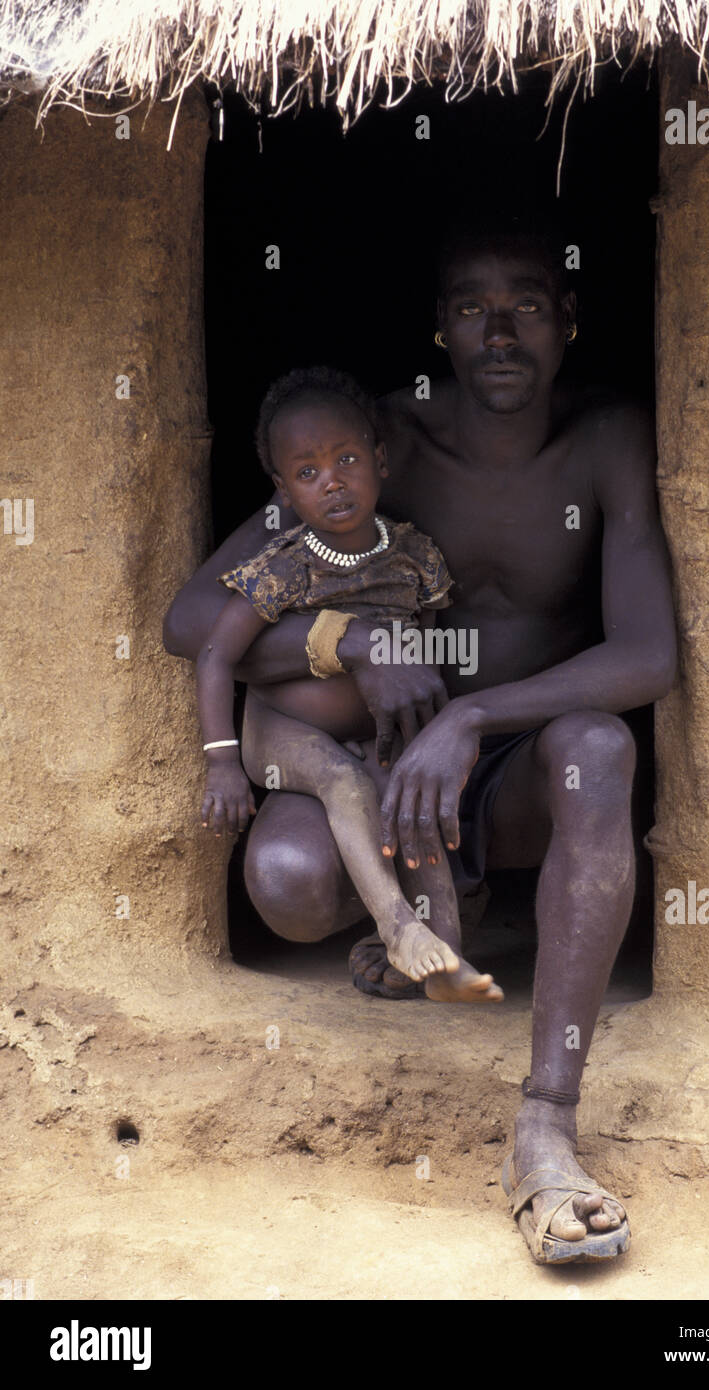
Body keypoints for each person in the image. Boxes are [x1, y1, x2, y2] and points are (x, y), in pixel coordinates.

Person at [164, 218, 677, 1262]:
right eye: (472, 308)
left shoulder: (608, 438)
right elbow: (193, 619)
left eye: (528, 304)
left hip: (512, 765)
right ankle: (434, 907)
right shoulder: (379, 448)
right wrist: (343, 639)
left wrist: (474, 712)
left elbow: (649, 655)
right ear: (436, 327)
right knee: (292, 884)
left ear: (570, 318)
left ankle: (544, 1129)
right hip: (383, 766)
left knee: (601, 751)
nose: (500, 332)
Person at [196, 366, 503, 1004]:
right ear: (282, 489)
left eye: (346, 458)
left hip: (373, 731)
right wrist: (221, 761)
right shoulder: (284, 567)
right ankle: (397, 929)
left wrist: (418, 742)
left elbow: (420, 659)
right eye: (307, 473)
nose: (331, 480)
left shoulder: (415, 558)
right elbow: (214, 655)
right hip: (283, 735)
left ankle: (447, 950)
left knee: (408, 798)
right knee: (344, 783)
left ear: (380, 459)